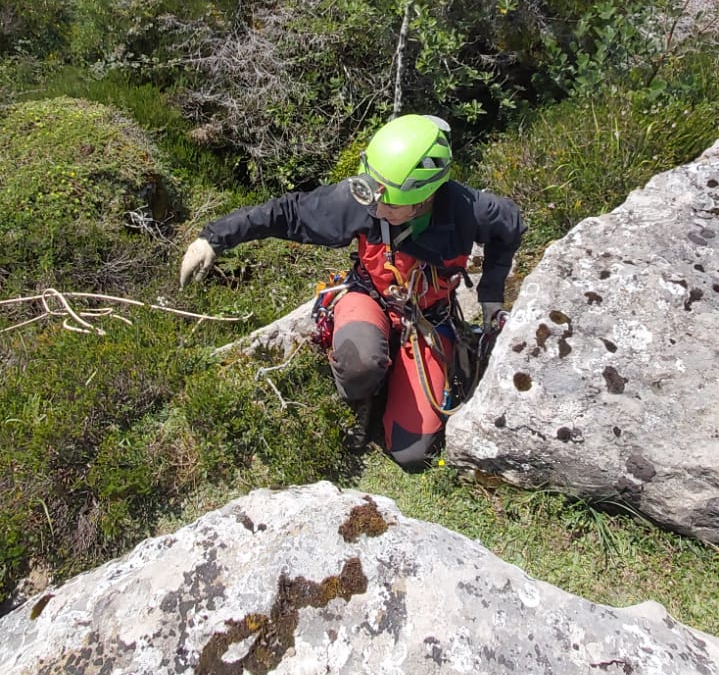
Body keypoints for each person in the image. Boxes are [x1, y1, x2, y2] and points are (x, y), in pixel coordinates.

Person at [180, 114, 523, 468]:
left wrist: (491, 297)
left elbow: (510, 228)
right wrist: (214, 238)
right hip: (369, 296)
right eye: (375, 196)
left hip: (427, 321)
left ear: (425, 198)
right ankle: (363, 396)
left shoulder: (469, 211)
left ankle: (395, 383)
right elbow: (288, 213)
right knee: (359, 363)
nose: (376, 208)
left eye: (390, 204)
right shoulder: (362, 201)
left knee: (412, 453)